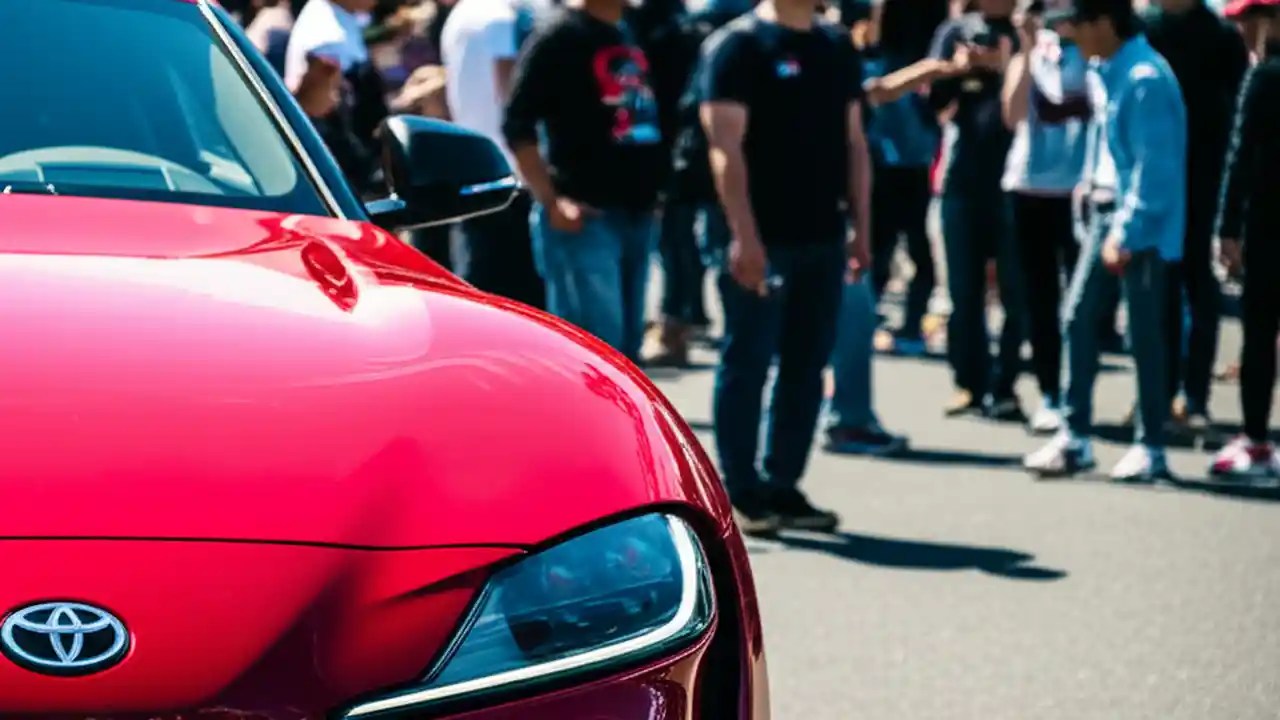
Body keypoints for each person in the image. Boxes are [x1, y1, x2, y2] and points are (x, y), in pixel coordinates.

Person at [700, 0, 871, 533]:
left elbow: (855, 142)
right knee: (748, 360)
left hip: (822, 235)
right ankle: (742, 491)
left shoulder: (835, 46)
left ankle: (783, 485)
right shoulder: (739, 45)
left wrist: (862, 228)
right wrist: (744, 236)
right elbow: (724, 147)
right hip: (761, 239)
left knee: (806, 363)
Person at [1024, 0, 1187, 483]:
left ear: (1103, 22)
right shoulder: (1112, 69)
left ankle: (1147, 445)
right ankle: (1082, 439)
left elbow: (1154, 168)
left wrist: (1127, 232)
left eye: (1077, 24)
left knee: (1140, 332)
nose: (1071, 35)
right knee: (1085, 318)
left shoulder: (1144, 78)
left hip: (1135, 222)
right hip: (1109, 214)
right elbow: (1111, 150)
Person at [503, 0, 666, 363]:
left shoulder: (635, 28)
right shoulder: (559, 35)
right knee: (596, 357)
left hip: (637, 211)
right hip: (584, 215)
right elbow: (518, 124)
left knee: (625, 356)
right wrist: (550, 200)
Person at [1142, 0, 1250, 434]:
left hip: (1205, 178)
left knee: (1196, 283)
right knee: (1156, 287)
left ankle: (1195, 396)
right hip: (1154, 177)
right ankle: (1158, 394)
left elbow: (1239, 110)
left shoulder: (1222, 35)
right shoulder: (1145, 28)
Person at [926, 0, 1028, 422]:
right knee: (963, 291)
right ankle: (968, 382)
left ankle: (1005, 386)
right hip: (963, 178)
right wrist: (959, 69)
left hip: (1018, 182)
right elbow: (933, 102)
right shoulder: (955, 31)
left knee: (1015, 292)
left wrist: (1008, 64)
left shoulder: (1030, 31)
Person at [1000, 0, 1089, 434]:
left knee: (1081, 303)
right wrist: (1026, 45)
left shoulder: (1096, 51)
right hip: (1029, 188)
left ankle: (1079, 393)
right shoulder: (1033, 52)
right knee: (1039, 300)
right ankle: (1051, 393)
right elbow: (1013, 114)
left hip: (1079, 191)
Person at [1209, 1, 1280, 481]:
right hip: (1267, 221)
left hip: (1268, 223)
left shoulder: (1263, 77)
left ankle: (1255, 439)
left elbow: (1240, 155)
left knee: (1259, 334)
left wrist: (1227, 226)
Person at [440, 0, 547, 309]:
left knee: (479, 283)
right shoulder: (499, 19)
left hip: (473, 164)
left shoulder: (462, 14)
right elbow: (511, 97)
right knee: (516, 295)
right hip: (510, 171)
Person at [861, 0, 943, 356]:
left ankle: (904, 323)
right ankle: (874, 319)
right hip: (888, 161)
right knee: (884, 249)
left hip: (908, 163)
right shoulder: (877, 59)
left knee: (902, 249)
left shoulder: (920, 58)